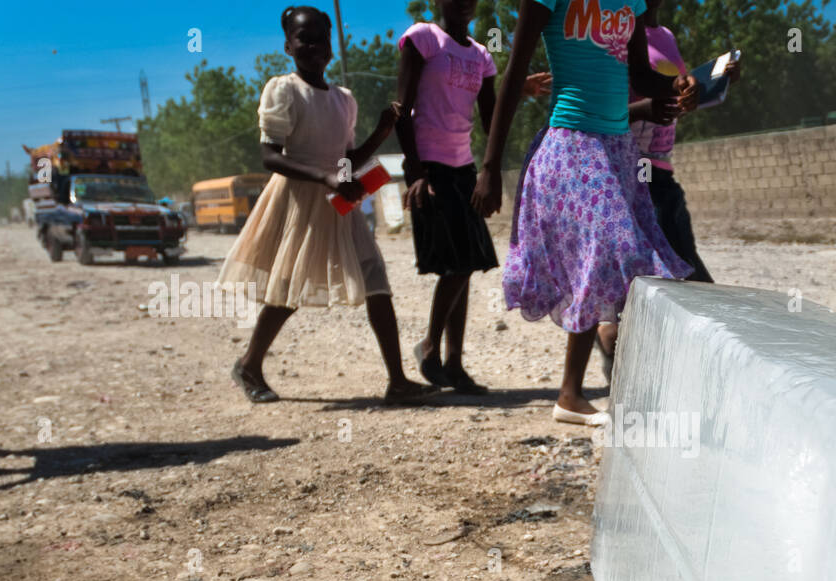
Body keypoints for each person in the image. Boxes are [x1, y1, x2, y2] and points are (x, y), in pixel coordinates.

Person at [471, 0, 696, 427]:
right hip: (572, 142)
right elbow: (515, 71)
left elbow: (642, 75)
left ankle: (574, 393)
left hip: (618, 146)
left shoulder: (632, 3)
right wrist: (490, 166)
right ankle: (580, 387)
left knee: (609, 260)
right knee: (617, 249)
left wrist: (680, 86)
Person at [220, 5, 438, 406]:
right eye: (304, 38)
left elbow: (345, 160)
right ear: (288, 46)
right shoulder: (284, 89)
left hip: (339, 201)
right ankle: (249, 364)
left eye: (322, 37)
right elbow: (270, 156)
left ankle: (398, 380)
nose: (314, 45)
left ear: (331, 47)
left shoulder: (344, 99)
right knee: (288, 288)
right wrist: (322, 177)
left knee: (376, 280)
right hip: (298, 201)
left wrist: (378, 134)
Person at [394, 0, 551, 395]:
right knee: (457, 264)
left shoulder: (481, 56)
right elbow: (402, 110)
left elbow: (489, 117)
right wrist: (414, 173)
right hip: (429, 167)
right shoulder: (424, 38)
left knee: (464, 265)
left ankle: (453, 364)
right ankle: (429, 345)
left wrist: (521, 91)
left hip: (463, 168)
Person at [628, 0, 740, 285]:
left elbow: (677, 96)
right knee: (682, 269)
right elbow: (606, 101)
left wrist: (716, 83)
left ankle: (611, 326)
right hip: (633, 165)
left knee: (669, 266)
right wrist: (641, 110)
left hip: (661, 163)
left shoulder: (666, 36)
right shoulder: (621, 31)